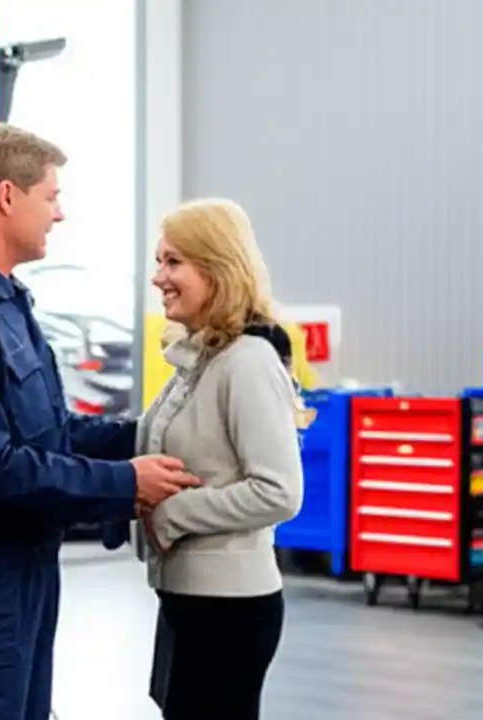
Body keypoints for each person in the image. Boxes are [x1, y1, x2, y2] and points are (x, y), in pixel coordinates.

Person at [0, 122, 201, 720]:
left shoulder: (3, 299)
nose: (59, 214)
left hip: (19, 568)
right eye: (51, 197)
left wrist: (151, 436)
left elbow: (50, 433)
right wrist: (124, 483)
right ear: (7, 196)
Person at [134, 197, 307, 720]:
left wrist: (172, 515)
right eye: (159, 261)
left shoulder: (247, 362)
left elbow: (279, 490)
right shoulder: (202, 358)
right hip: (186, 597)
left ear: (217, 269)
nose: (159, 277)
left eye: (174, 263)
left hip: (228, 607)